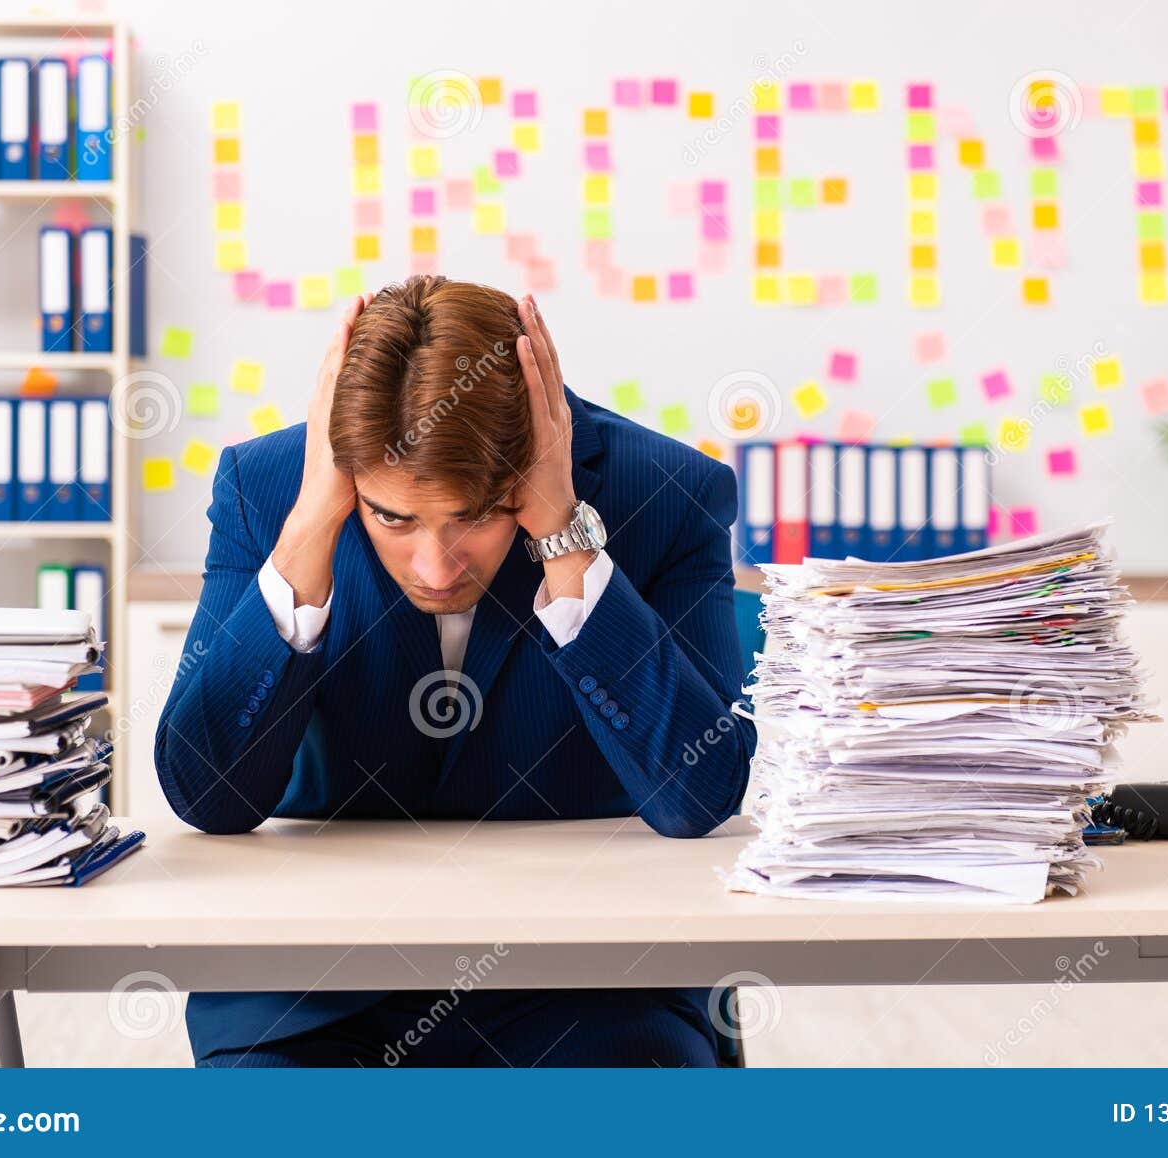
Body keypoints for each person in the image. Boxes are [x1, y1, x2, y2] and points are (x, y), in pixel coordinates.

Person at [154, 274, 754, 1066]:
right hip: (309, 1000)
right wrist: (310, 530)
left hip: (593, 994)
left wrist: (564, 534)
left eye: (475, 514)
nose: (435, 566)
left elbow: (699, 795)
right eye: (393, 518)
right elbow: (208, 795)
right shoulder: (266, 492)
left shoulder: (669, 493)